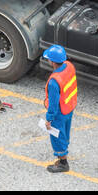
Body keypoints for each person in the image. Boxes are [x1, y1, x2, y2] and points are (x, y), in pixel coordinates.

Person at [42, 44, 77, 173]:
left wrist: (48, 119)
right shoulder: (69, 66)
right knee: (65, 132)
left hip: (59, 112)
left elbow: (53, 104)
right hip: (69, 106)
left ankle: (63, 163)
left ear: (52, 62)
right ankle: (64, 150)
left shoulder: (54, 82)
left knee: (57, 136)